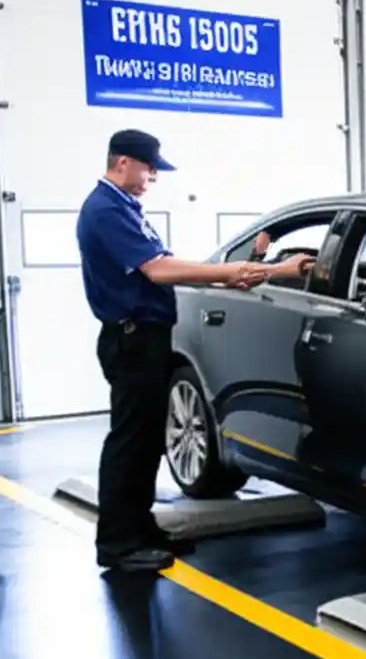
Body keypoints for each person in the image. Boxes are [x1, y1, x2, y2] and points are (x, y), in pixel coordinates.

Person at [76, 129, 311, 572]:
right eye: (149, 169)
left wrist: (238, 269)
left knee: (147, 442)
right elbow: (159, 269)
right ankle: (117, 544)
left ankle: (139, 528)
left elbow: (163, 267)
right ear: (123, 162)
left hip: (145, 336)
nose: (153, 178)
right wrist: (245, 270)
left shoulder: (122, 207)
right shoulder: (105, 209)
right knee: (130, 441)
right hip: (132, 338)